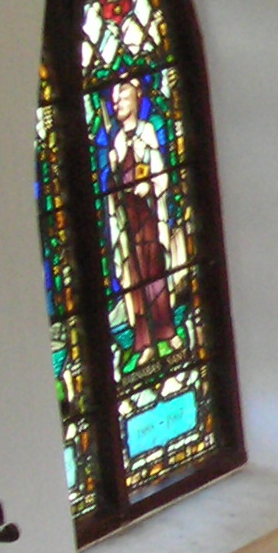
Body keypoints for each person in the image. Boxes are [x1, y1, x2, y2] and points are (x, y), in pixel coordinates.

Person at [103, 74, 179, 356]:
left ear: (137, 99)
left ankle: (167, 331)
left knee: (155, 274)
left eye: (122, 97)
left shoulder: (146, 131)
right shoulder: (115, 145)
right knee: (135, 281)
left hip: (147, 217)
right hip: (128, 224)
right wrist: (115, 185)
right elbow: (111, 188)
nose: (117, 103)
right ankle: (144, 341)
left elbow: (160, 172)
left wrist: (150, 183)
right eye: (113, 99)